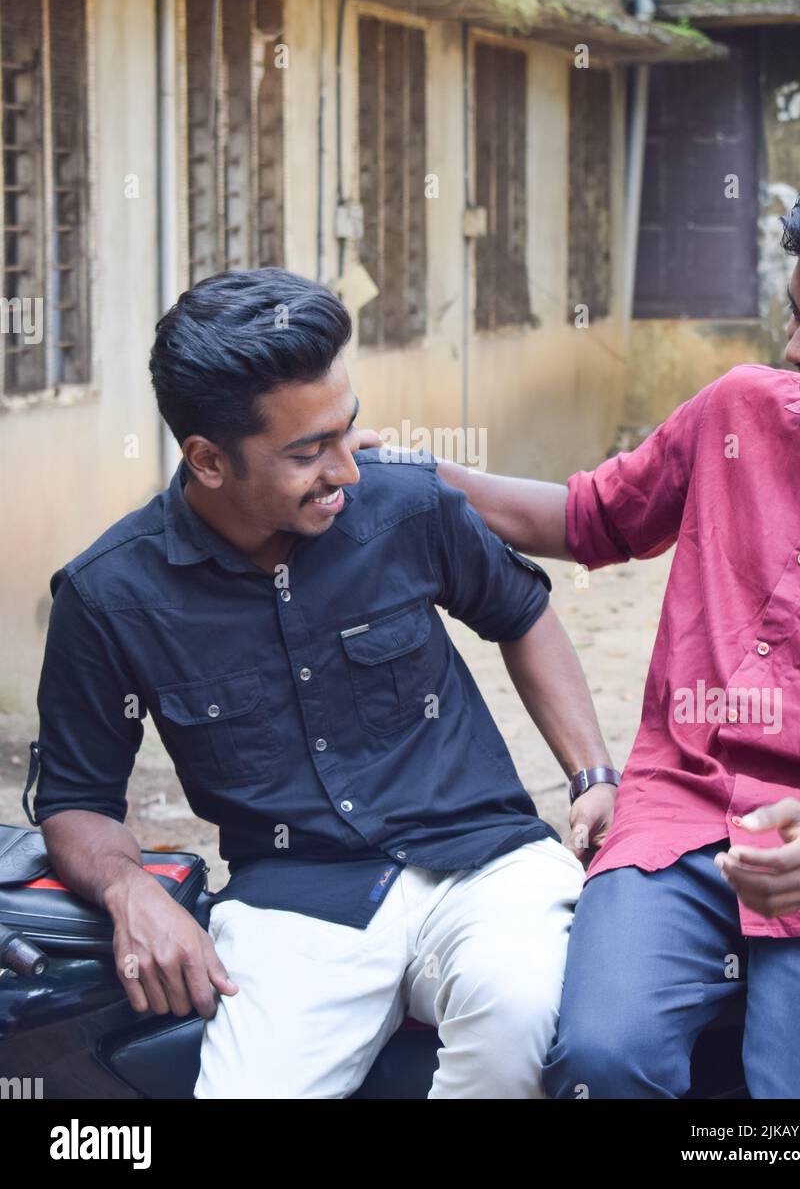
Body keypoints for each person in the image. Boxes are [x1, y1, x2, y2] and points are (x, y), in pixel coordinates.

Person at [28, 268, 612, 1100]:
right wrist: (128, 891)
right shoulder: (109, 595)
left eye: (348, 431)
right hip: (294, 901)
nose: (350, 469)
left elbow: (521, 613)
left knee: (520, 1015)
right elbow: (77, 799)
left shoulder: (410, 508)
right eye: (308, 452)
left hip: (486, 865)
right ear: (208, 460)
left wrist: (592, 774)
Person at [430, 166, 800, 1100]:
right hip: (680, 815)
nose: (795, 349)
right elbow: (585, 519)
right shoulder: (736, 414)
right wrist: (418, 476)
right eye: (791, 316)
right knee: (599, 1058)